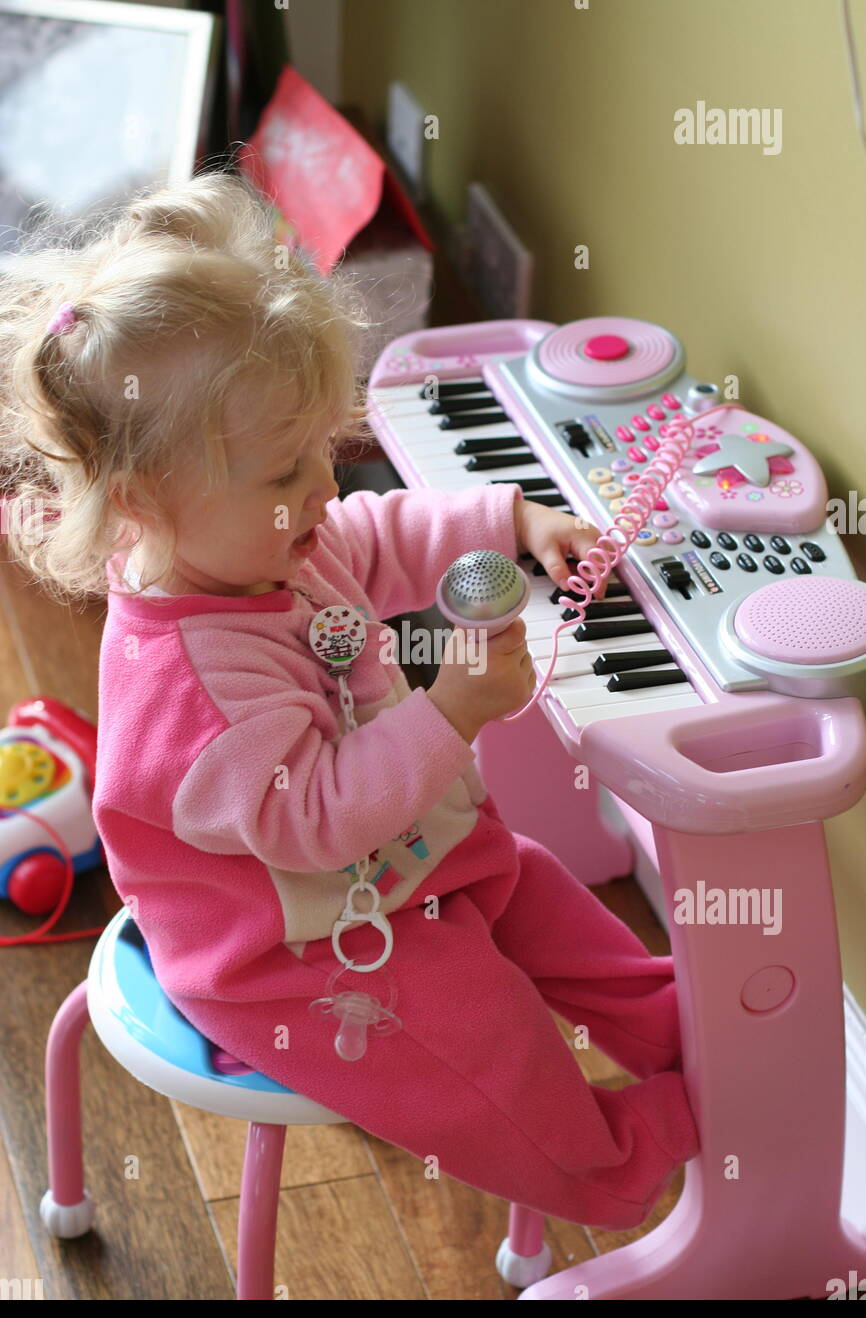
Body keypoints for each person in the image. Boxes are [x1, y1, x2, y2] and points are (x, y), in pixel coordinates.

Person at [0, 169, 698, 1234]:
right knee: (483, 1036)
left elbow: (373, 542)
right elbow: (317, 820)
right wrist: (449, 712)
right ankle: (614, 1162)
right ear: (143, 502)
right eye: (288, 469)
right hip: (297, 949)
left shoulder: (263, 545)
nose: (325, 490)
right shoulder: (190, 691)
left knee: (537, 890)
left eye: (324, 451)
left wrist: (502, 517)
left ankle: (683, 1031)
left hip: (397, 866)